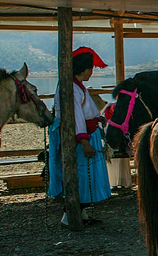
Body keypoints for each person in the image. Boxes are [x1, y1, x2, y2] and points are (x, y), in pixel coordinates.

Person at [47, 47, 112, 225]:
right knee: (81, 175)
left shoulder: (77, 86)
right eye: (90, 69)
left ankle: (81, 214)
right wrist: (84, 141)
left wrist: (97, 118)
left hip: (88, 132)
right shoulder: (70, 88)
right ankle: (69, 217)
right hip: (80, 138)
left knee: (86, 176)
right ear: (84, 69)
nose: (92, 72)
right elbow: (75, 116)